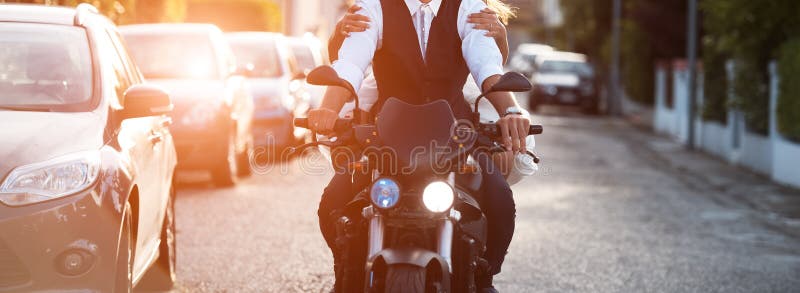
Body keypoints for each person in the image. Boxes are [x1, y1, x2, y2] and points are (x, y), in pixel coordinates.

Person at [308, 0, 530, 292]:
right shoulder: (374, 6)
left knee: (499, 198)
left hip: (455, 135)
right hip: (386, 135)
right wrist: (328, 108)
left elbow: (486, 65)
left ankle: (484, 278)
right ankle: (346, 272)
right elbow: (350, 63)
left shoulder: (468, 7)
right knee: (334, 199)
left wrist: (511, 111)